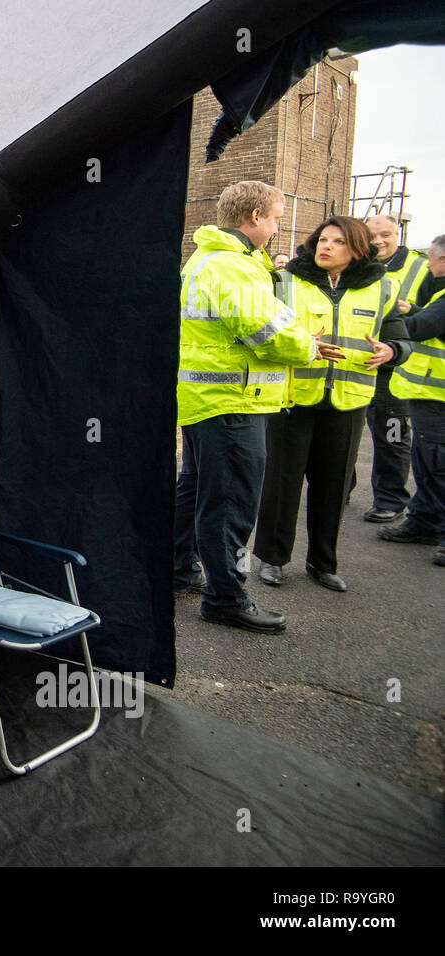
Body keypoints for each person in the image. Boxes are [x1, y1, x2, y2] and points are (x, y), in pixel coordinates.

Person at [174, 182, 343, 633]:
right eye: (274, 217)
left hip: (208, 402)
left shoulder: (211, 259)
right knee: (229, 505)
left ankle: (179, 571)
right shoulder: (233, 266)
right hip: (233, 403)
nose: (277, 225)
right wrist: (308, 346)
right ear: (254, 217)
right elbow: (263, 332)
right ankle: (225, 598)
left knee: (196, 492)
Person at [253, 217, 408, 592]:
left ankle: (323, 564)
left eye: (338, 242)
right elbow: (267, 334)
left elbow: (398, 338)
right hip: (293, 400)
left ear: (356, 249)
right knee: (282, 483)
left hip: (348, 402)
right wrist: (301, 342)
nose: (326, 247)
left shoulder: (383, 288)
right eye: (323, 240)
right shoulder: (285, 282)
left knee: (333, 485)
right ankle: (272, 560)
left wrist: (392, 350)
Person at [358, 215, 433, 522]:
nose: (378, 241)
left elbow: (433, 314)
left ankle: (390, 501)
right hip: (354, 364)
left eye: (385, 235)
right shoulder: (355, 264)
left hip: (397, 369)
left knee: (392, 438)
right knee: (340, 438)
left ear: (398, 233)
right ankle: (341, 490)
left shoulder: (420, 266)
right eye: (371, 236)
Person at [378, 233, 445, 566]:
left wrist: (386, 319)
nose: (428, 262)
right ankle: (424, 522)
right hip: (423, 394)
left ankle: (417, 516)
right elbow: (429, 320)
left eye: (432, 257)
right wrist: (412, 310)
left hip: (434, 395)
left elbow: (420, 327)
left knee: (434, 463)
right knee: (426, 460)